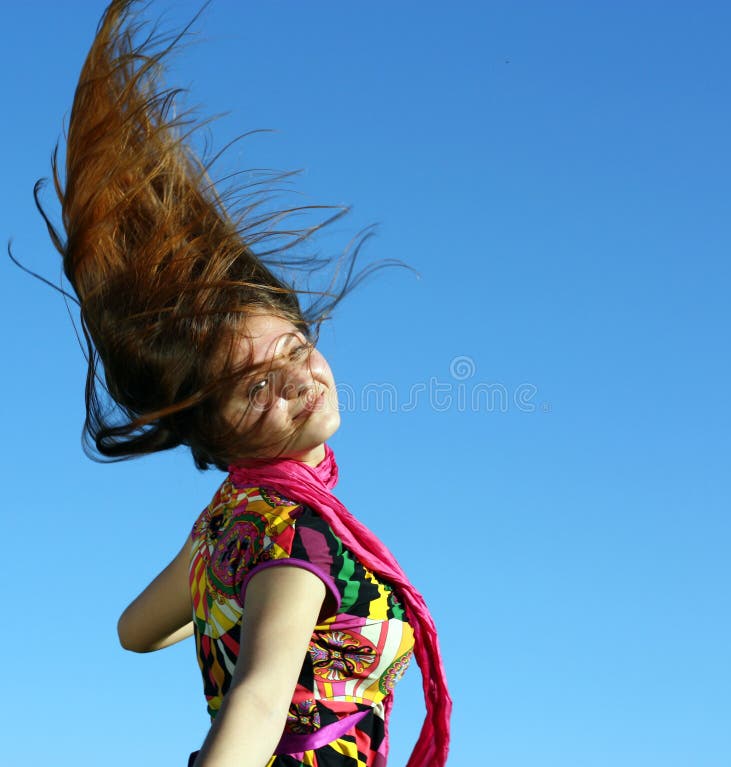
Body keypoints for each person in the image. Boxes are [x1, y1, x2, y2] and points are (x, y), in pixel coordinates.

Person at [34, 2, 451, 765]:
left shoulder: (228, 523)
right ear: (216, 431)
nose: (298, 379)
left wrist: (215, 584)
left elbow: (135, 630)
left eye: (295, 346)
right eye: (256, 387)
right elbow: (261, 697)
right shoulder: (298, 534)